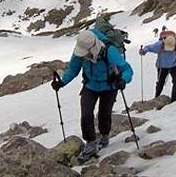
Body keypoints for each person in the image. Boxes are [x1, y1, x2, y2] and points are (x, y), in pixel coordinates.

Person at [51, 29, 133, 160]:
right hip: (90, 86)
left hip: (109, 86)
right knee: (86, 114)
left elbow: (127, 69)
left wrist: (124, 80)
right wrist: (62, 83)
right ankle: (90, 144)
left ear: (93, 47)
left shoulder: (109, 51)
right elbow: (73, 69)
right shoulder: (81, 50)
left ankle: (105, 136)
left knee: (104, 114)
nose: (83, 55)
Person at [139, 33, 176, 102]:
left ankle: (174, 100)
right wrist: (143, 51)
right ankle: (156, 99)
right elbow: (148, 47)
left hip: (174, 66)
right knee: (160, 83)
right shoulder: (159, 45)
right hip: (162, 66)